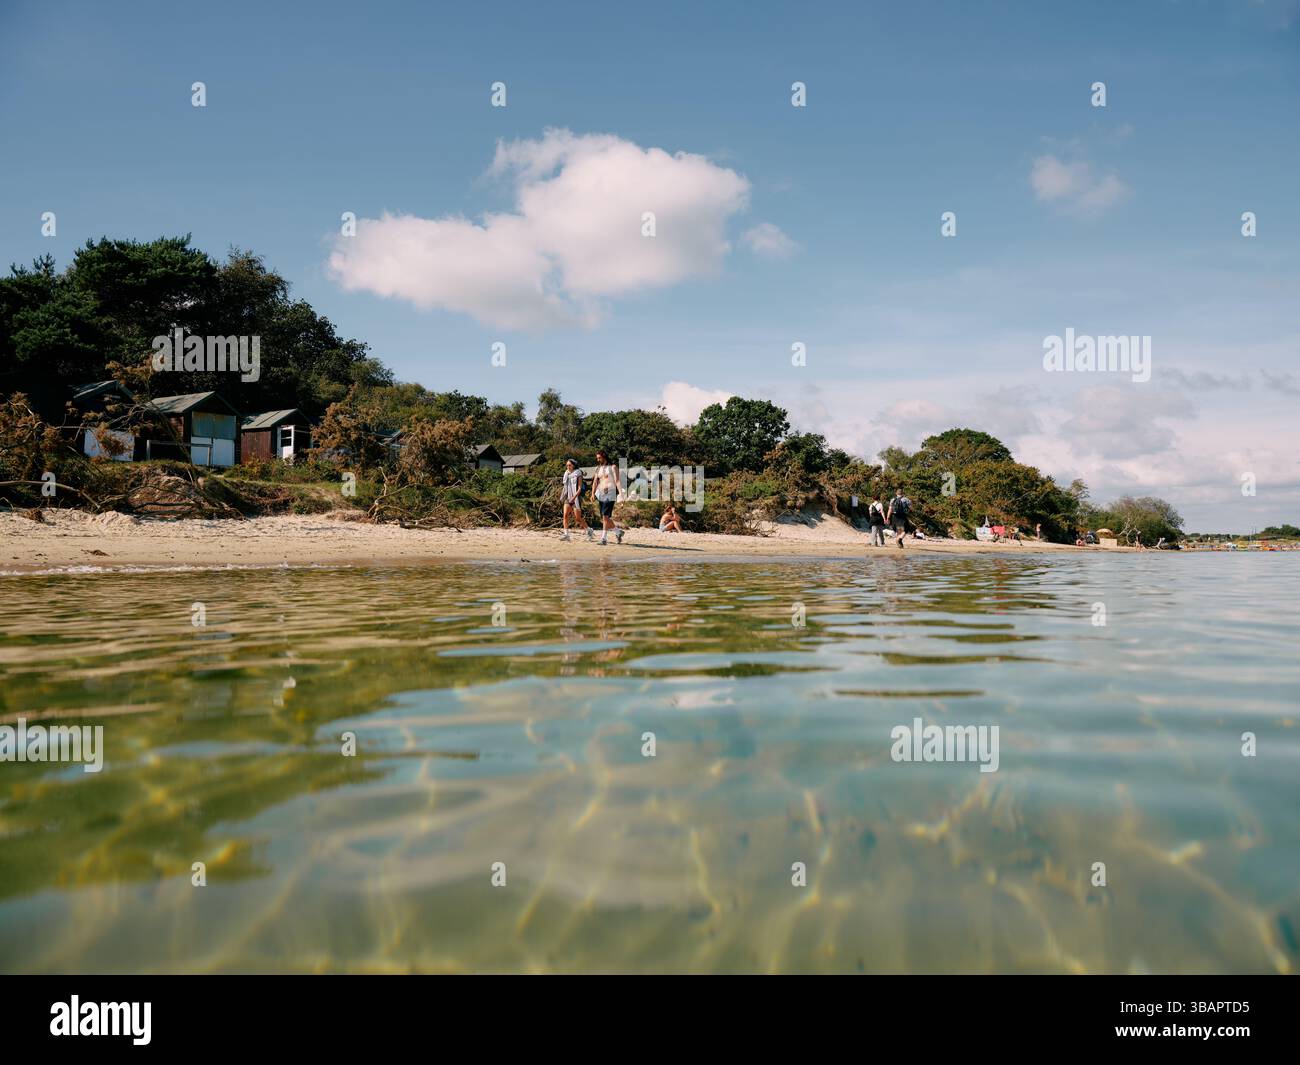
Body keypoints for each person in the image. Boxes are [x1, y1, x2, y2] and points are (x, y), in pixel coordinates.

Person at [590, 450, 625, 545]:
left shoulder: (613, 467)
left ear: (604, 456)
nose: (598, 460)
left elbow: (617, 481)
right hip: (601, 493)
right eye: (597, 458)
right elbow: (595, 482)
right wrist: (593, 494)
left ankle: (603, 538)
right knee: (605, 517)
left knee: (605, 516)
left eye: (599, 458)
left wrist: (621, 494)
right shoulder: (598, 469)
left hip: (610, 493)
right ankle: (618, 532)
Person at [560, 459, 593, 542]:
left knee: (578, 518)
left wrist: (574, 498)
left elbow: (579, 488)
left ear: (573, 465)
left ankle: (589, 530)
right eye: (567, 465)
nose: (568, 467)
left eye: (569, 465)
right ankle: (566, 534)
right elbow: (565, 486)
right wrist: (564, 496)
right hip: (568, 497)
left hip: (576, 498)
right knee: (565, 515)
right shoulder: (566, 473)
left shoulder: (578, 474)